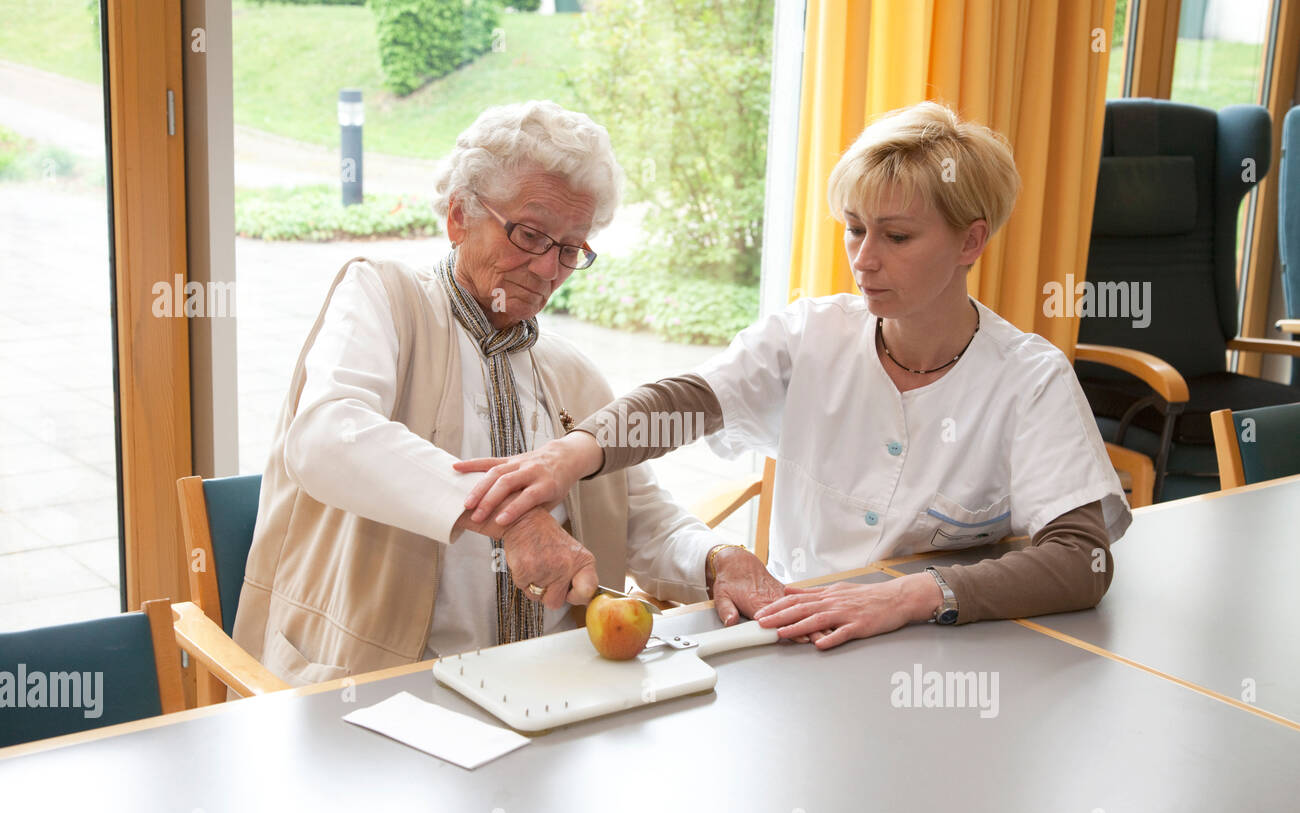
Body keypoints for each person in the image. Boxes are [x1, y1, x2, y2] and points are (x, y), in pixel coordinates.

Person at [454, 101, 1133, 650]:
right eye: (854, 229)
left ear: (970, 242)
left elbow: (1081, 560)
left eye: (895, 237)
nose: (863, 259)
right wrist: (572, 455)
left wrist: (914, 595)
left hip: (945, 650)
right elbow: (690, 399)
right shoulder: (812, 334)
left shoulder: (1029, 379)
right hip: (798, 643)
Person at [232, 100, 782, 685]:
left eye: (571, 249)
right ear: (459, 216)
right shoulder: (385, 299)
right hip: (388, 687)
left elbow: (641, 518)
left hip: (551, 689)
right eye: (530, 234)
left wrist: (719, 559)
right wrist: (513, 520)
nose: (549, 270)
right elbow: (326, 437)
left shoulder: (574, 374)